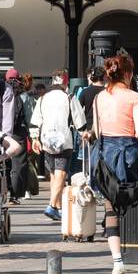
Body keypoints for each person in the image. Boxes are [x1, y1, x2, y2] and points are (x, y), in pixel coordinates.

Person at [90, 54, 138, 274]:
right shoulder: (134, 97)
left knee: (111, 209)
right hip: (128, 157)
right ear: (129, 73)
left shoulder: (99, 98)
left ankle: (117, 263)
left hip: (105, 158)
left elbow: (95, 131)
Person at [30, 72, 86, 221]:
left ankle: (58, 207)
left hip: (46, 141)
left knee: (54, 175)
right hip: (64, 140)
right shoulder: (69, 97)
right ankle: (51, 205)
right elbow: (79, 118)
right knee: (61, 174)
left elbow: (36, 119)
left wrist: (35, 138)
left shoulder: (43, 98)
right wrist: (83, 133)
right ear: (66, 83)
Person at [3, 69, 29, 203]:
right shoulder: (23, 94)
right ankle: (16, 193)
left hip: (4, 131)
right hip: (19, 132)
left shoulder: (2, 90)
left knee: (4, 162)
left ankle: (4, 191)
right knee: (18, 163)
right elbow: (28, 114)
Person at [78, 66, 106, 132]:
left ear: (92, 77)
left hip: (89, 126)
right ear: (104, 77)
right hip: (104, 127)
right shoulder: (107, 92)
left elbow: (78, 110)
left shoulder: (85, 92)